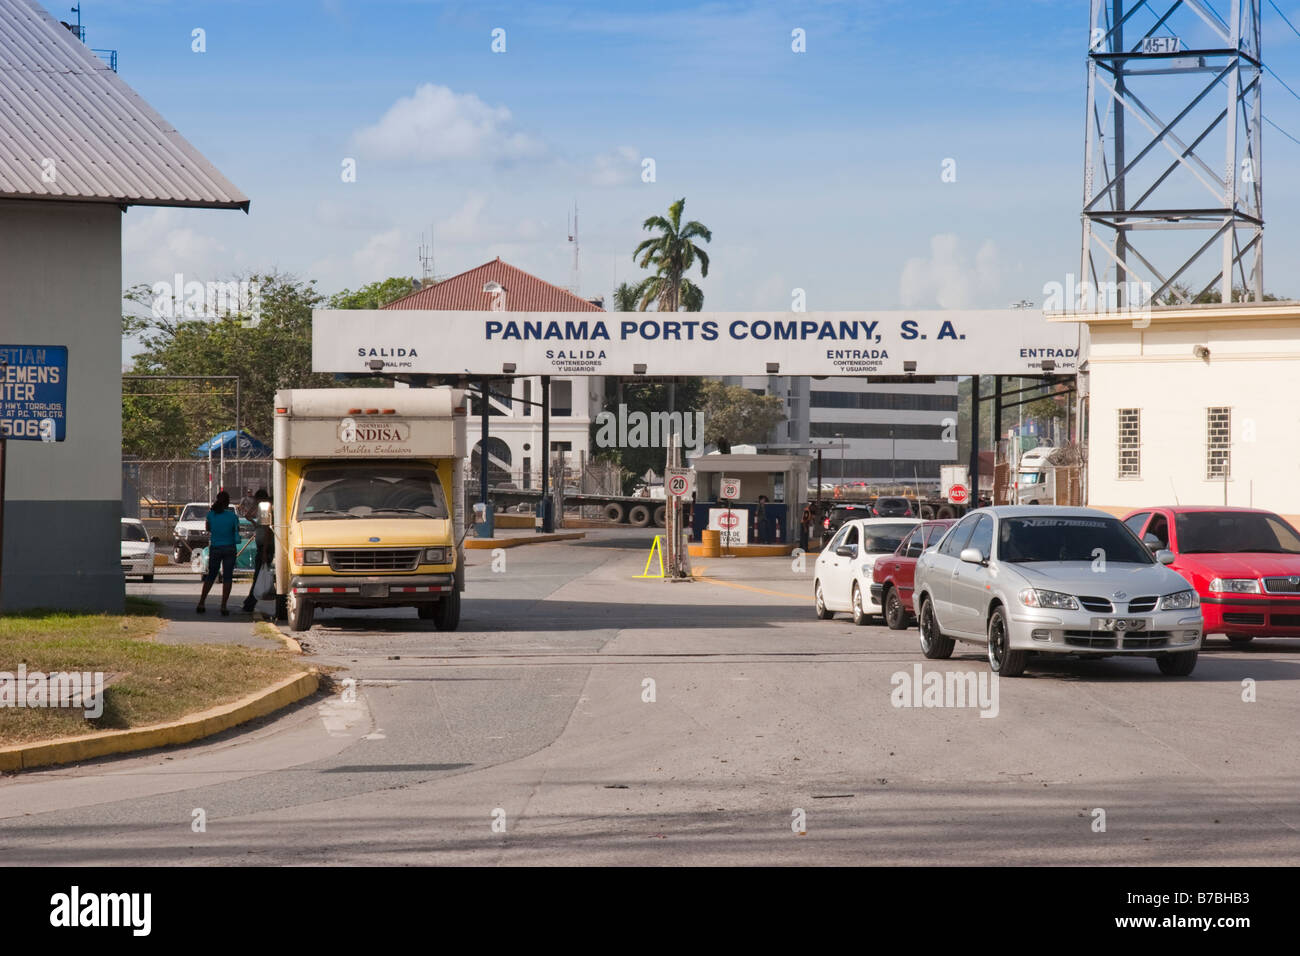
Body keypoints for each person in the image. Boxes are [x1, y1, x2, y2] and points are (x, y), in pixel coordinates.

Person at [197, 490, 239, 616]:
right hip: (229, 548)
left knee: (211, 575)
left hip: (215, 547)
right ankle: (224, 606)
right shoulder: (233, 517)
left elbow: (208, 528)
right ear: (227, 503)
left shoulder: (210, 515)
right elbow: (236, 530)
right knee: (227, 577)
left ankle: (201, 602)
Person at [241, 488, 273, 613]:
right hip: (262, 546)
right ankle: (249, 601)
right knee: (258, 575)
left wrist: (264, 551)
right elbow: (248, 516)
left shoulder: (266, 510)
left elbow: (267, 532)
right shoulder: (262, 509)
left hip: (266, 547)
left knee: (258, 575)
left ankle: (250, 603)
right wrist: (255, 524)